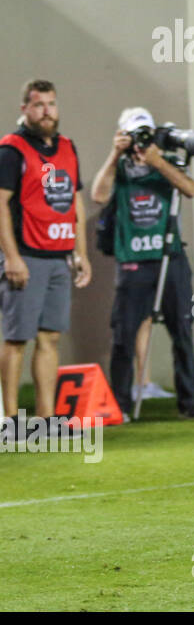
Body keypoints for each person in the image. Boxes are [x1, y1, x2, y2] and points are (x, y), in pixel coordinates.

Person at [89, 108, 194, 419]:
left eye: (145, 134)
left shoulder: (165, 162)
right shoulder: (121, 168)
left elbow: (191, 189)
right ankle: (122, 405)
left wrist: (158, 161)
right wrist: (114, 154)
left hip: (170, 258)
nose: (141, 141)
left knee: (182, 330)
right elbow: (98, 195)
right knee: (124, 335)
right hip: (133, 263)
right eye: (134, 134)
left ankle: (189, 405)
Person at [0, 79, 91, 426]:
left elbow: (74, 203)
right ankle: (9, 421)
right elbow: (1, 205)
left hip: (58, 255)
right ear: (24, 109)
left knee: (50, 336)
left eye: (51, 104)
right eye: (39, 105)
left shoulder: (67, 147)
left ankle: (45, 419)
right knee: (17, 336)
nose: (47, 111)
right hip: (26, 255)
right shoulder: (12, 150)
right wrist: (11, 257)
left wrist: (79, 253)